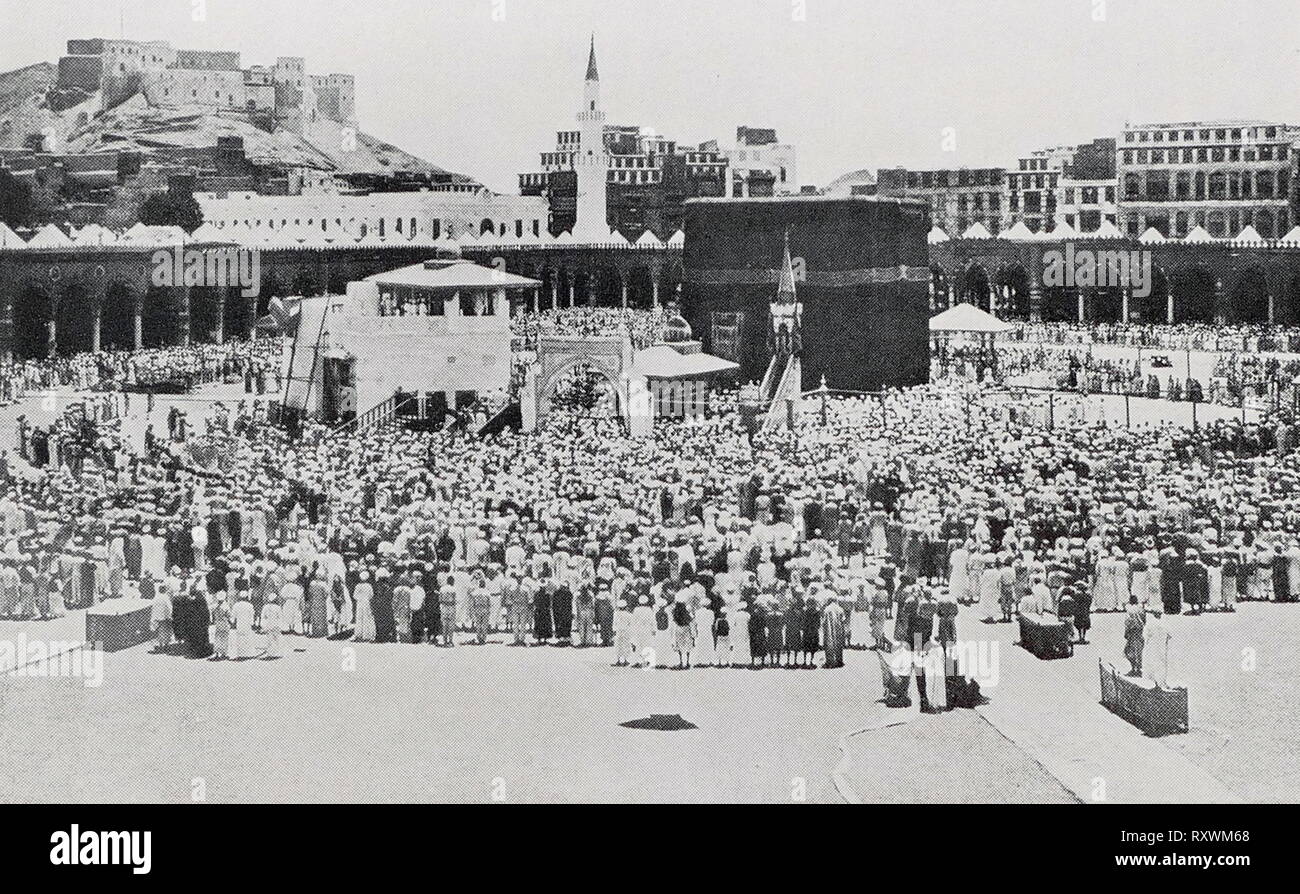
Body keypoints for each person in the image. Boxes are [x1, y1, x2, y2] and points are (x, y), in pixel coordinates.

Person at [1142, 607, 1171, 689]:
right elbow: (1169, 635)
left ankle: (1150, 683)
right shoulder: (1164, 623)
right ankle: (1161, 683)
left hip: (1151, 647)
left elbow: (1145, 635)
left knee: (1151, 663)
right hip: (1161, 647)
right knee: (1161, 664)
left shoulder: (1150, 623)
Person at [820, 595, 845, 669]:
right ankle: (839, 660)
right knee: (838, 643)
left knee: (829, 644)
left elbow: (823, 621)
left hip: (829, 629)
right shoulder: (840, 609)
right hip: (838, 629)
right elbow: (843, 620)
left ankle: (830, 661)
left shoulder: (826, 609)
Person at [1123, 596, 1145, 677]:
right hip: (1139, 631)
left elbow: (1127, 622)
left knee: (1129, 651)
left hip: (1132, 632)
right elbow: (1144, 620)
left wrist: (1126, 632)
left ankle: (1133, 669)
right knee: (1139, 650)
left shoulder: (1129, 610)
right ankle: (1138, 669)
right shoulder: (1141, 609)